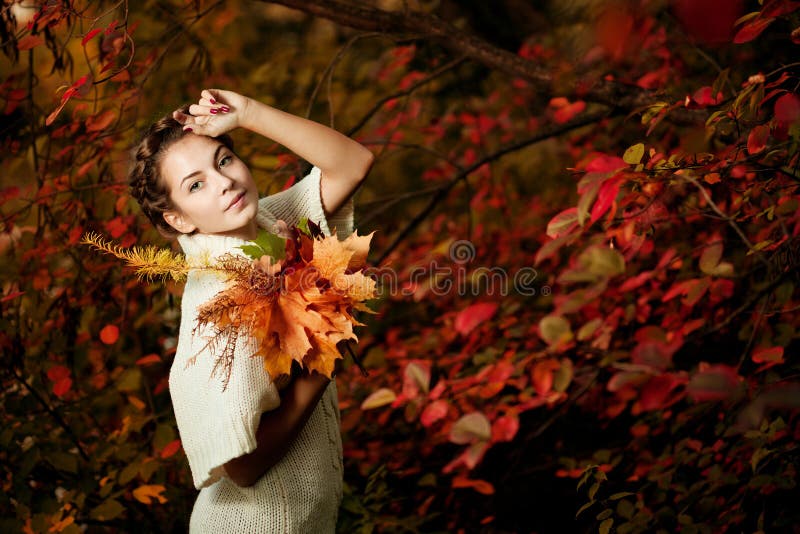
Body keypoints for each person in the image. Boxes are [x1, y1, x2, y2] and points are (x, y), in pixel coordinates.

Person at [127, 88, 374, 532]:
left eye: (223, 160)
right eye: (195, 185)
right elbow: (240, 468)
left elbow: (352, 163)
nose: (224, 182)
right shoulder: (217, 301)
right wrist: (317, 373)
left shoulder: (266, 228)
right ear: (178, 219)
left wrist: (248, 112)